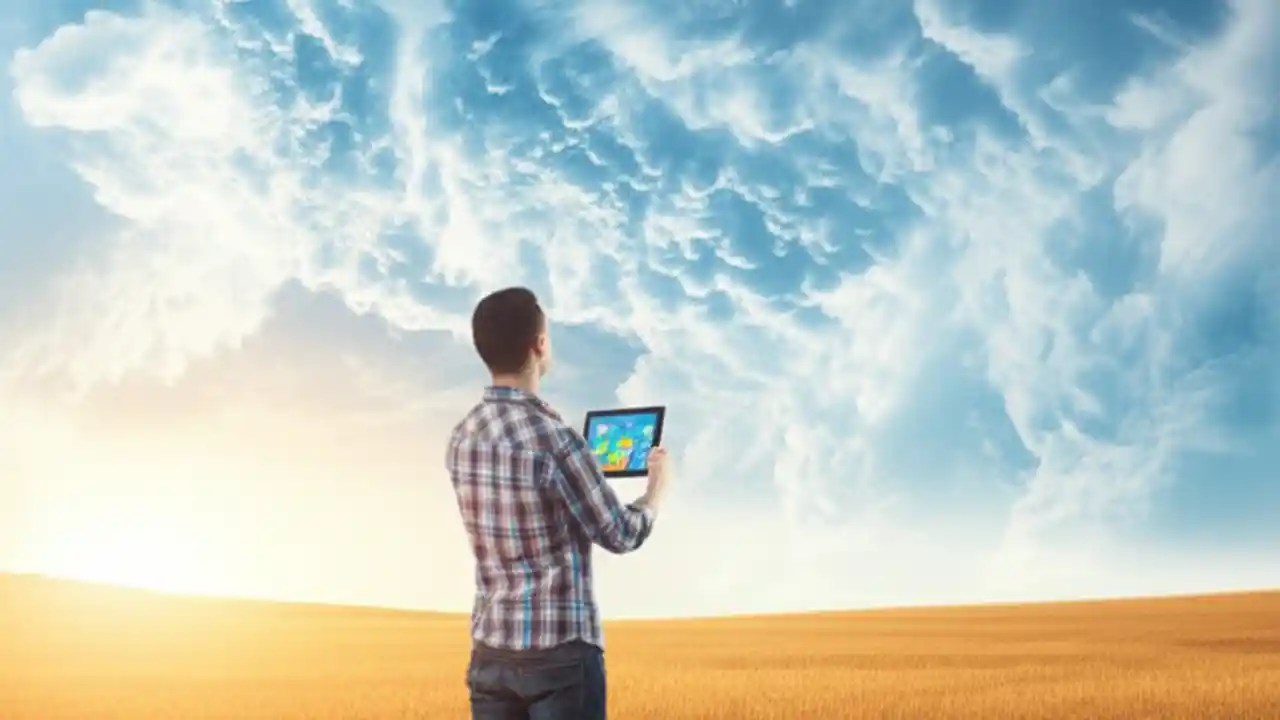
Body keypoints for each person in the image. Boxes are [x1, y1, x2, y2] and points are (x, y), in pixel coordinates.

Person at [446, 286, 671, 720]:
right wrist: (655, 490)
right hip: (560, 658)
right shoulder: (557, 442)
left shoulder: (462, 436)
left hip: (490, 651)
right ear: (540, 345)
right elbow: (622, 534)